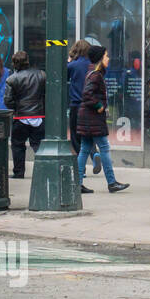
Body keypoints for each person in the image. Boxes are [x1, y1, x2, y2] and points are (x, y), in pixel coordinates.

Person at [75, 46, 129, 194]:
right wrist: (99, 106)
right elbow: (87, 94)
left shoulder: (91, 73)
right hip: (92, 118)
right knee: (104, 148)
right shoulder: (96, 75)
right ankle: (112, 183)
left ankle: (77, 184)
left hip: (86, 117)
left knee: (85, 149)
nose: (108, 58)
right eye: (106, 56)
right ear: (100, 59)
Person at [4, 51, 46, 179]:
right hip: (38, 115)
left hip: (20, 116)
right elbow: (45, 94)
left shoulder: (12, 79)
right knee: (39, 145)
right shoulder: (41, 75)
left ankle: (19, 172)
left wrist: (17, 107)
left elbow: (8, 100)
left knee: (17, 145)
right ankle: (44, 170)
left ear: (14, 63)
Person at [67, 40, 100, 190]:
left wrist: (69, 61)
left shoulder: (73, 65)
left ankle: (82, 170)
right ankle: (94, 154)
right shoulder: (92, 65)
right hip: (91, 105)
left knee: (75, 136)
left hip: (76, 104)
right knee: (88, 134)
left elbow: (63, 77)